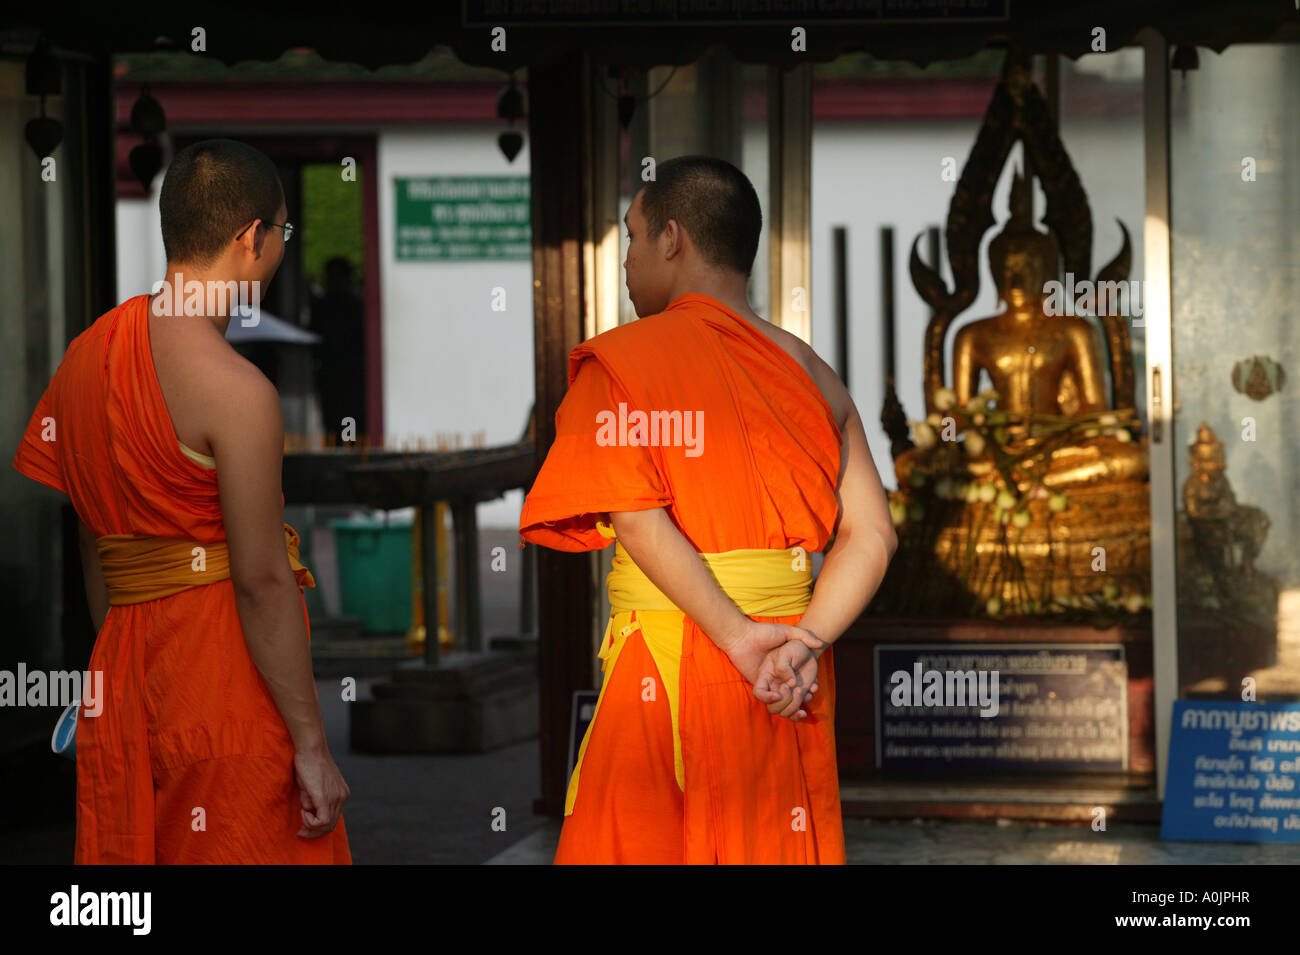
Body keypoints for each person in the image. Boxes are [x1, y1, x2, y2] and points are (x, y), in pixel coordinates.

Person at [519, 155, 898, 864]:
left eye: (631, 238)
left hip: (670, 657)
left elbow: (635, 517)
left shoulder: (623, 362)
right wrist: (805, 643)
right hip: (786, 673)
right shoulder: (812, 370)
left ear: (671, 239)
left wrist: (734, 636)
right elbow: (871, 533)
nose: (627, 261)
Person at [12, 139, 351, 864]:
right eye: (282, 233)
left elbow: (94, 543)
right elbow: (261, 583)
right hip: (221, 678)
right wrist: (312, 744)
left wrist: (131, 659)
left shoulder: (82, 360)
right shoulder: (239, 394)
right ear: (250, 239)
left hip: (123, 672)